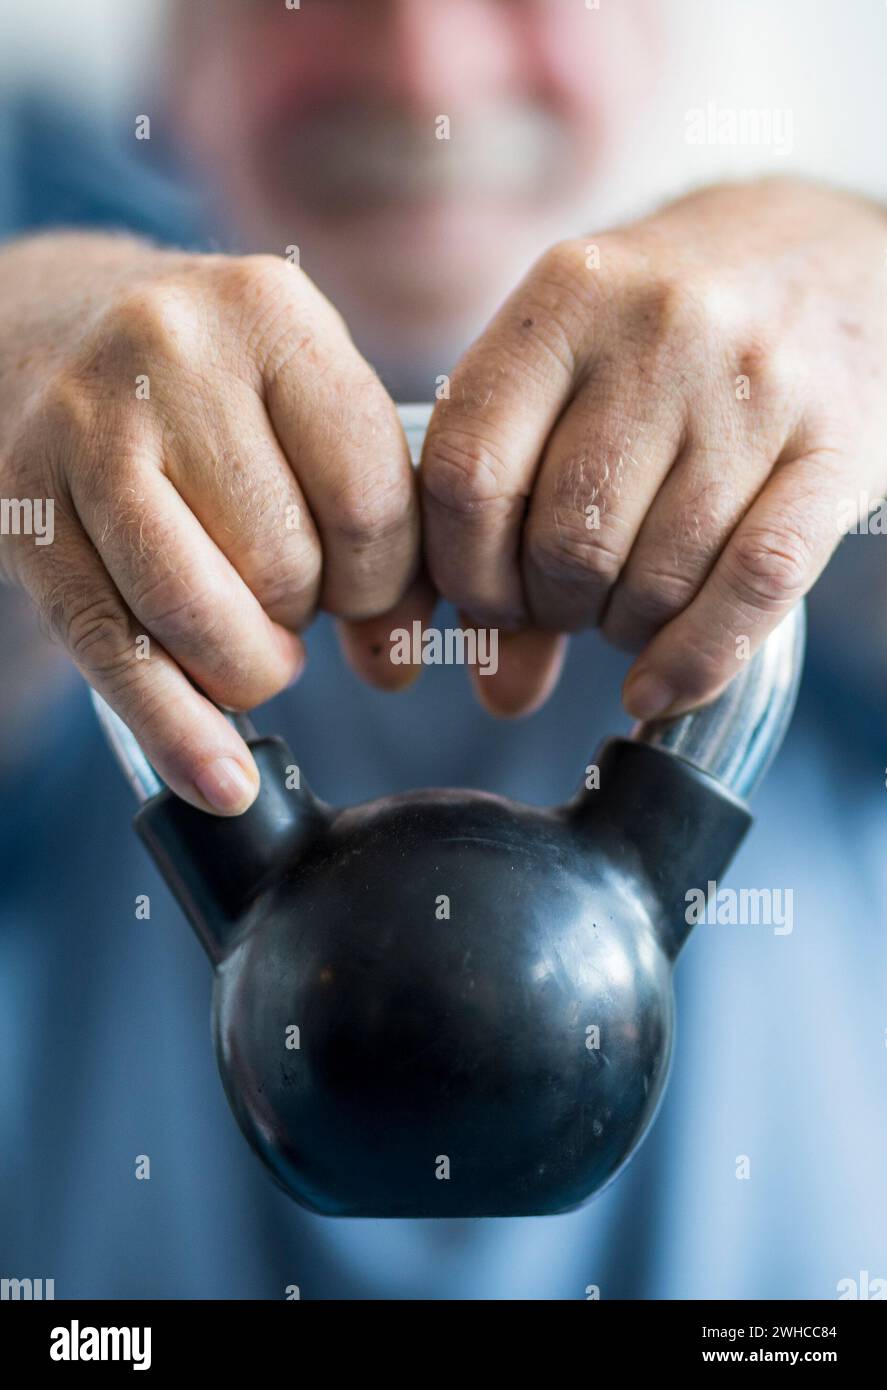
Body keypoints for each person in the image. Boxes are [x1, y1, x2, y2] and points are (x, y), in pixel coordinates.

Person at [1, 0, 885, 1299]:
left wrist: (854, 269)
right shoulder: (49, 469)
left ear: (650, 40)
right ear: (177, 66)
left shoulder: (842, 461)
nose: (426, 65)